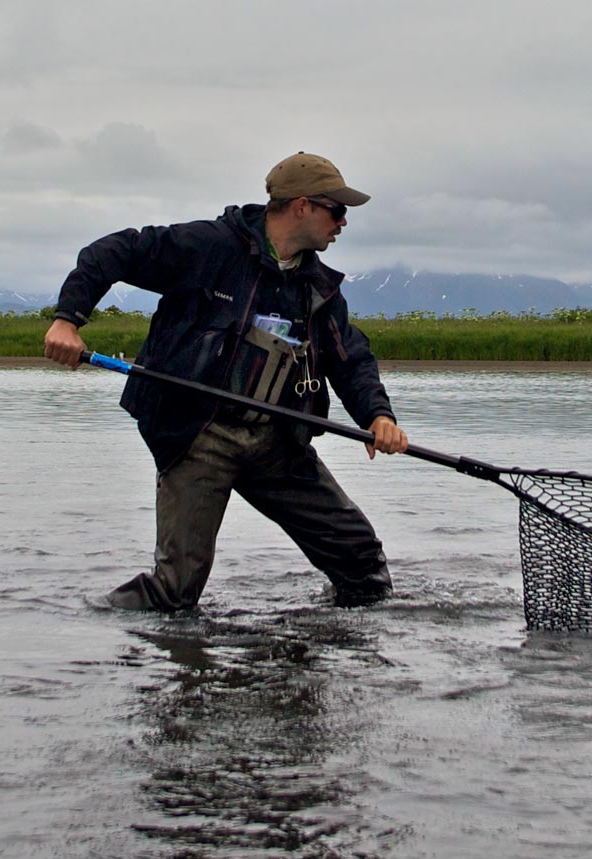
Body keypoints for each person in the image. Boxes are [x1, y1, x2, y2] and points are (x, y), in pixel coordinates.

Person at [44, 151, 411, 611]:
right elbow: (113, 252)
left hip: (277, 443)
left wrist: (378, 416)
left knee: (361, 564)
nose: (342, 223)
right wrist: (68, 319)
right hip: (198, 436)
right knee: (176, 591)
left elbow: (350, 358)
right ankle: (75, 625)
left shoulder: (318, 287)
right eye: (336, 210)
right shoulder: (209, 247)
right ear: (302, 206)